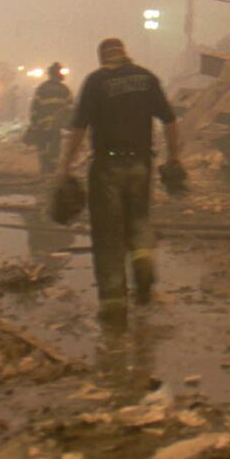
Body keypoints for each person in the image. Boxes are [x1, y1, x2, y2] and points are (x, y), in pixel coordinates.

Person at [58, 38, 185, 321]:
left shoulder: (95, 82)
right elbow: (170, 119)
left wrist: (65, 165)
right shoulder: (146, 78)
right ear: (125, 53)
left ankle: (113, 302)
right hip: (141, 162)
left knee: (107, 233)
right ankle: (143, 261)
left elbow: (78, 127)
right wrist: (174, 157)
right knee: (138, 219)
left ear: (102, 56)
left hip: (106, 165)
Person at [25, 64, 74, 175]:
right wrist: (68, 125)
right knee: (54, 149)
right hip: (56, 126)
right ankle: (51, 171)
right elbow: (70, 109)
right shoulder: (64, 90)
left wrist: (33, 124)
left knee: (42, 148)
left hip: (42, 125)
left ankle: (45, 169)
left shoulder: (42, 88)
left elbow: (35, 108)